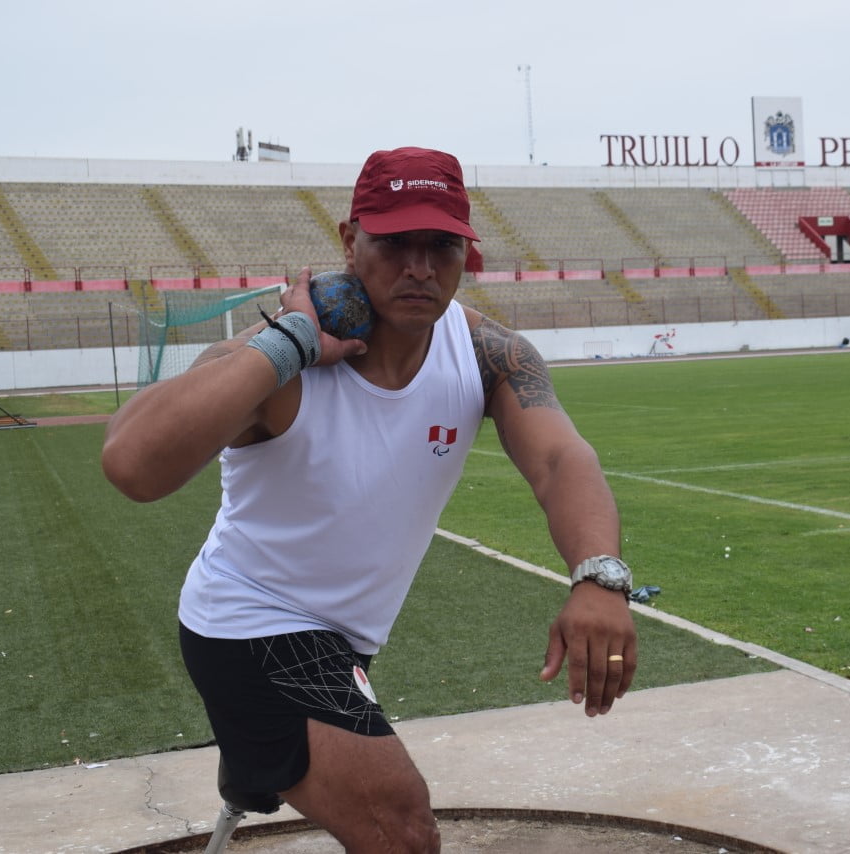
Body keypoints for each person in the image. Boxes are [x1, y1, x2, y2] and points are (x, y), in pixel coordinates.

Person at [101, 146, 638, 853]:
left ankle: (253, 766)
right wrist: (288, 344)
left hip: (345, 638)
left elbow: (561, 459)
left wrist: (598, 575)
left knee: (329, 783)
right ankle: (257, 751)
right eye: (394, 243)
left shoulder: (488, 353)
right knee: (402, 827)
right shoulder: (283, 356)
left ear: (466, 254)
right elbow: (131, 464)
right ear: (350, 241)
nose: (419, 267)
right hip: (249, 621)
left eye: (441, 245)